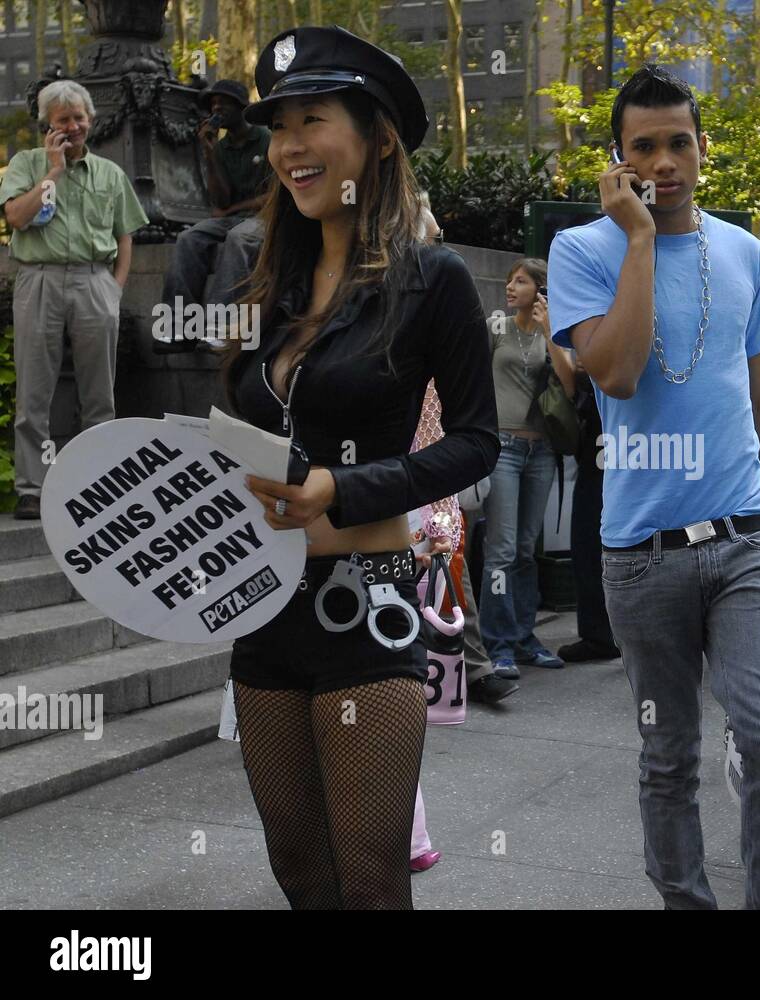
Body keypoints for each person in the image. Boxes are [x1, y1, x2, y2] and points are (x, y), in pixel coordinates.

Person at [219, 26, 499, 909]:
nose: (290, 147)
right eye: (278, 128)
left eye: (313, 120)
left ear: (376, 137)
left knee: (372, 883)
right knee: (299, 873)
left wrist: (347, 486)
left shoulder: (434, 279)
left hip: (369, 604)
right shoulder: (266, 287)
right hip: (261, 609)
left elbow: (475, 441)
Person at [546, 64, 760, 909]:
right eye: (644, 147)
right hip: (641, 556)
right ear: (618, 158)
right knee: (668, 757)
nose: (664, 162)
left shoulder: (742, 251)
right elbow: (617, 376)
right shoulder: (582, 249)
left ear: (702, 150)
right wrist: (633, 238)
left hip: (743, 542)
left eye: (678, 143)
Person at [3, 80, 149, 521]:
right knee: (34, 391)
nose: (73, 126)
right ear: (47, 125)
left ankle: (100, 481)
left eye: (79, 117)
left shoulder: (110, 173)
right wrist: (53, 171)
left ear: (90, 120)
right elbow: (16, 217)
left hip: (94, 282)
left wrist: (114, 288)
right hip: (39, 280)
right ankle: (32, 488)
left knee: (99, 393)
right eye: (63, 119)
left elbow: (125, 235)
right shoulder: (25, 164)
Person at [479, 258, 576, 678]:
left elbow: (570, 385)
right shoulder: (494, 328)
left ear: (539, 289)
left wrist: (551, 329)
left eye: (520, 281)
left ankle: (523, 637)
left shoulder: (553, 331)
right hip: (501, 447)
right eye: (508, 280)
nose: (510, 287)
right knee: (500, 551)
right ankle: (497, 643)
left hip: (540, 453)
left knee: (525, 549)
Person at [158, 80, 271, 351]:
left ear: (242, 106)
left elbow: (274, 197)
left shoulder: (266, 138)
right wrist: (208, 151)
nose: (216, 108)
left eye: (223, 102)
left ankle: (219, 327)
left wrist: (230, 210)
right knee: (188, 237)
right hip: (236, 217)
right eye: (213, 104)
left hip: (267, 218)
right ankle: (178, 329)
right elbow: (220, 199)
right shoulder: (222, 148)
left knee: (238, 238)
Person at [557, 352, 622, 663]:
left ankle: (601, 634)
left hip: (605, 456)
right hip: (617, 452)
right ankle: (607, 632)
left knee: (590, 544)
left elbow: (573, 384)